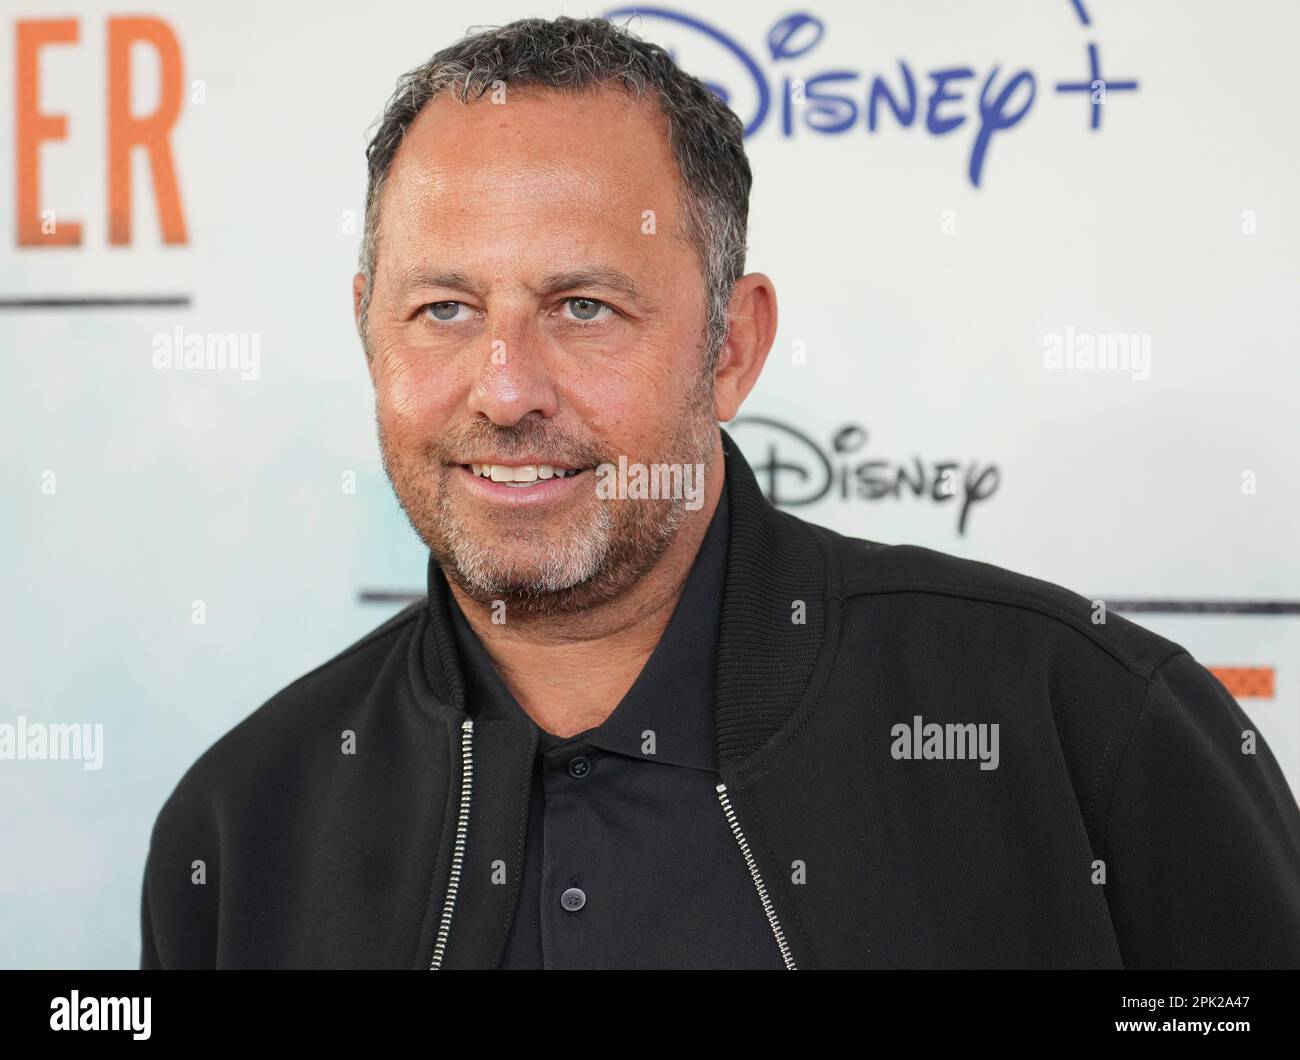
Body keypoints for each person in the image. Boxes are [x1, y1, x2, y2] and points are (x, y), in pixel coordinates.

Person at [140, 15, 1300, 969]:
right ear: (367, 334)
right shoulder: (244, 827)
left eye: (583, 306)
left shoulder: (1081, 726)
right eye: (443, 309)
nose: (504, 389)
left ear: (731, 348)